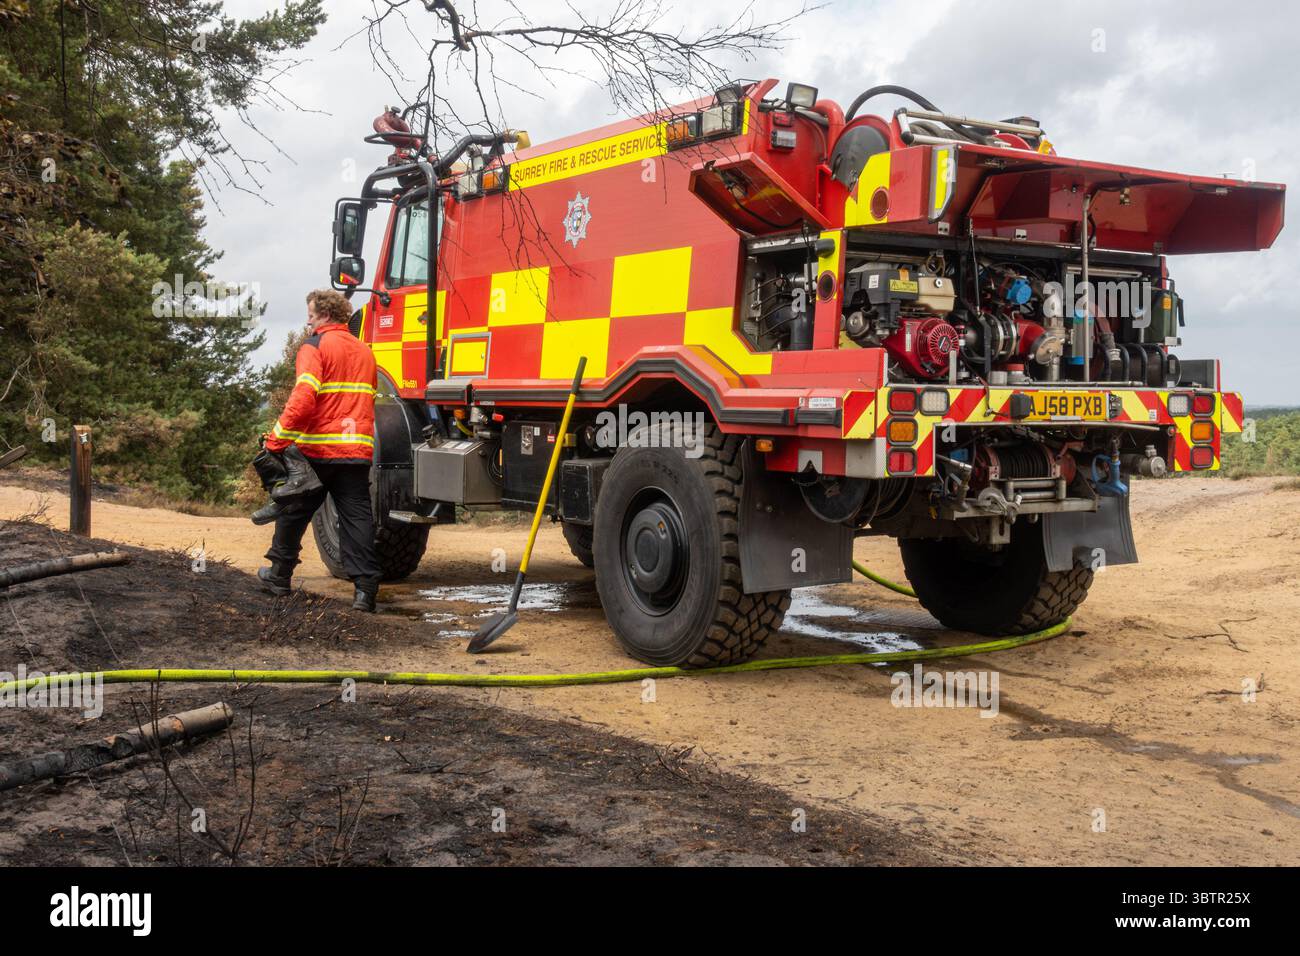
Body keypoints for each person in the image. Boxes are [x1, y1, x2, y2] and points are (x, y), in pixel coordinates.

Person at [257, 289, 383, 612]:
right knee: (357, 518)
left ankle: (278, 577)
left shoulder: (315, 347)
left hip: (319, 451)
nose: (308, 320)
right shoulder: (366, 352)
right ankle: (365, 592)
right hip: (356, 451)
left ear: (325, 315)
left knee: (292, 509)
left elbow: (304, 399)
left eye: (311, 314)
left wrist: (275, 441)